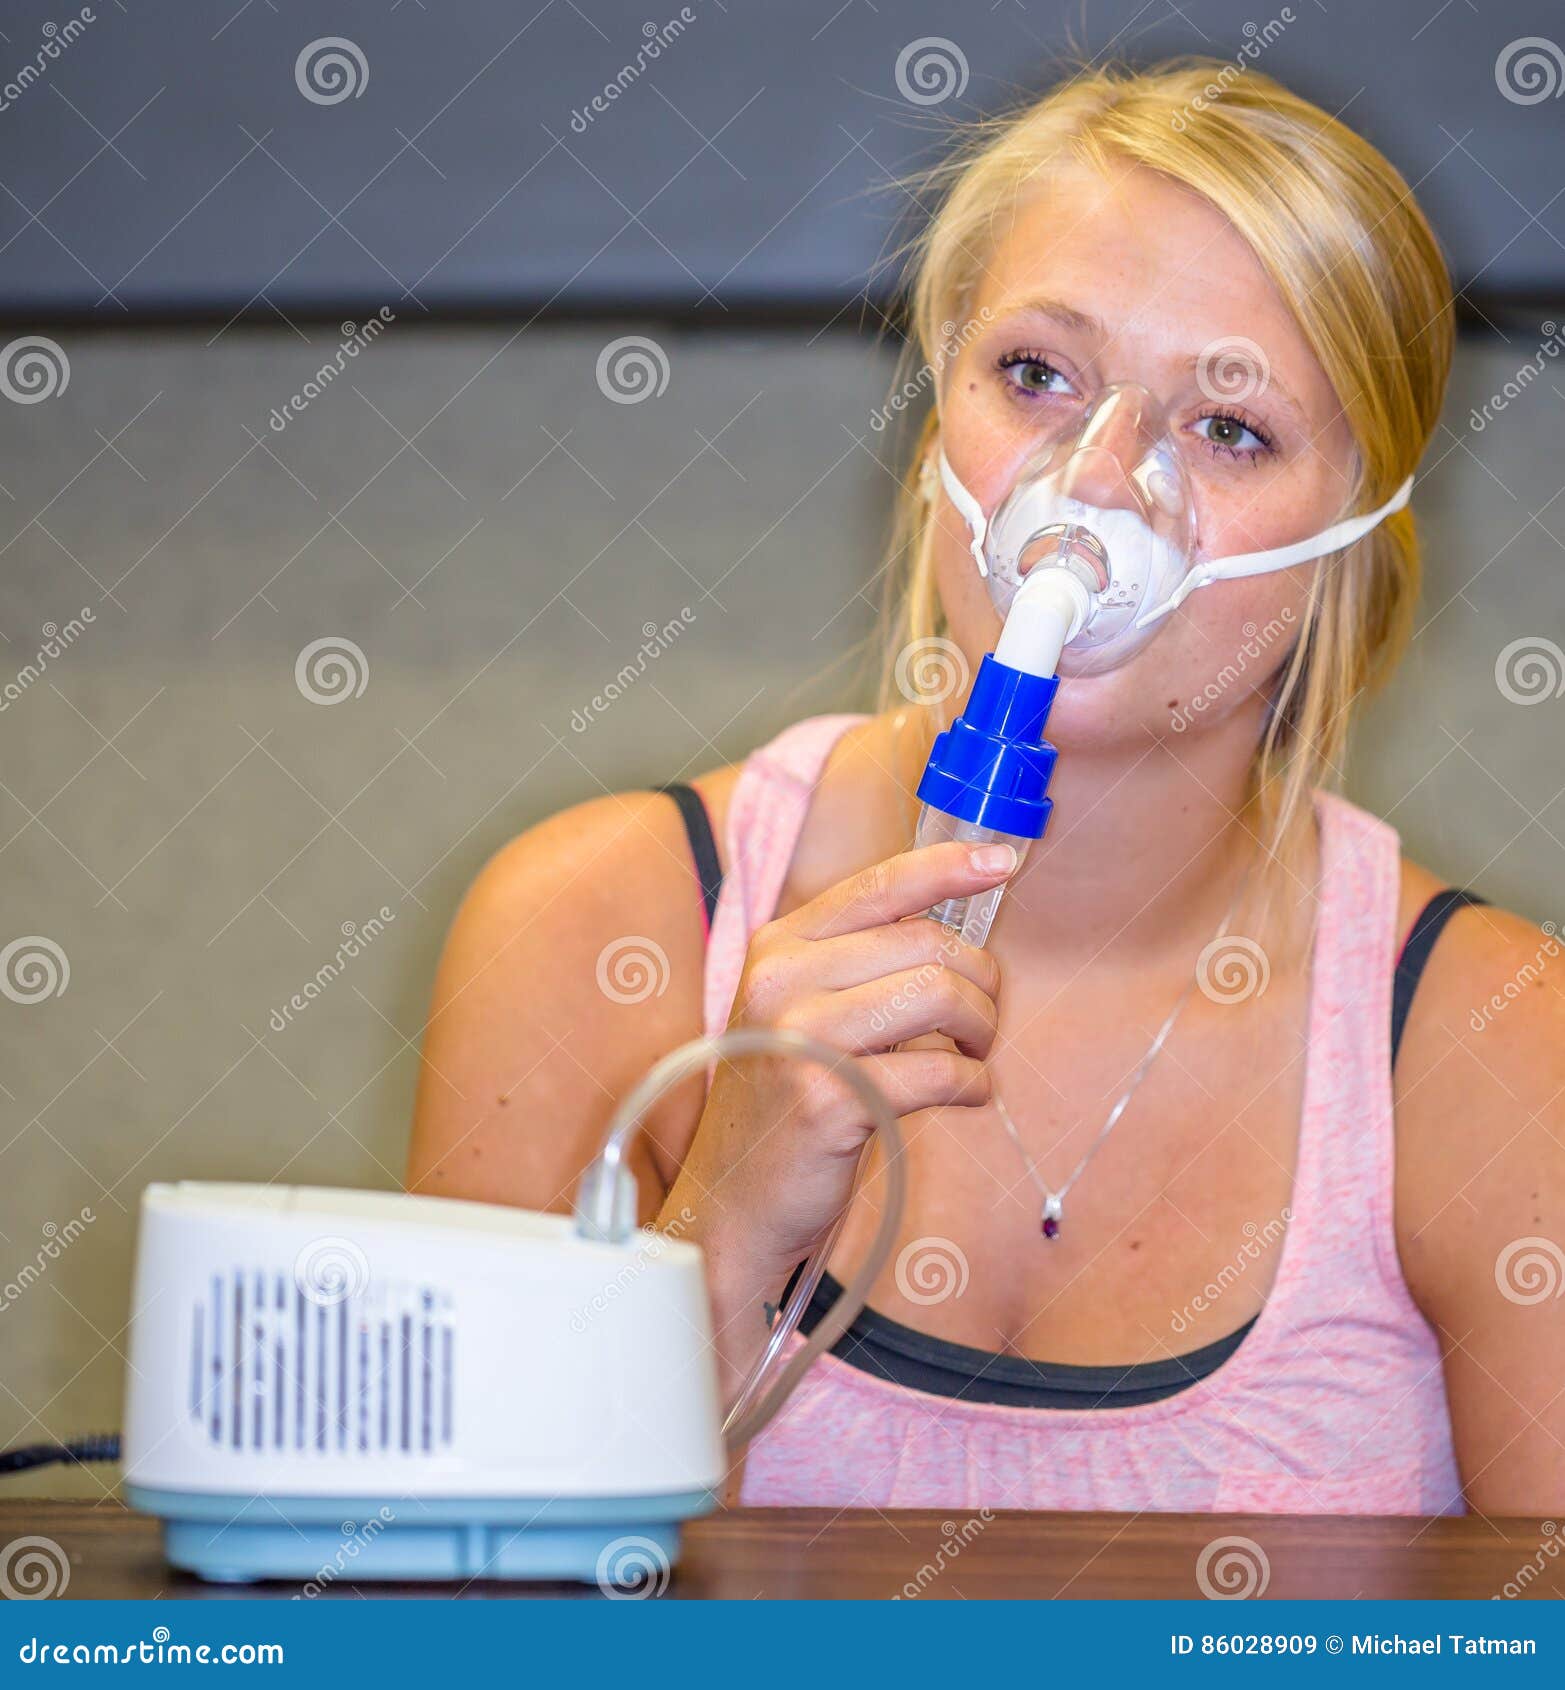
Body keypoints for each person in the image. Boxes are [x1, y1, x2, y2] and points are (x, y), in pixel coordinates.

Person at [406, 62, 1565, 1516]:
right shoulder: (588, 928)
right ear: (937, 420)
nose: (1094, 486)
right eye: (1037, 376)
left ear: (1353, 532)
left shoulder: (1497, 1050)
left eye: (1229, 426)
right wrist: (715, 1226)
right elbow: (438, 1609)